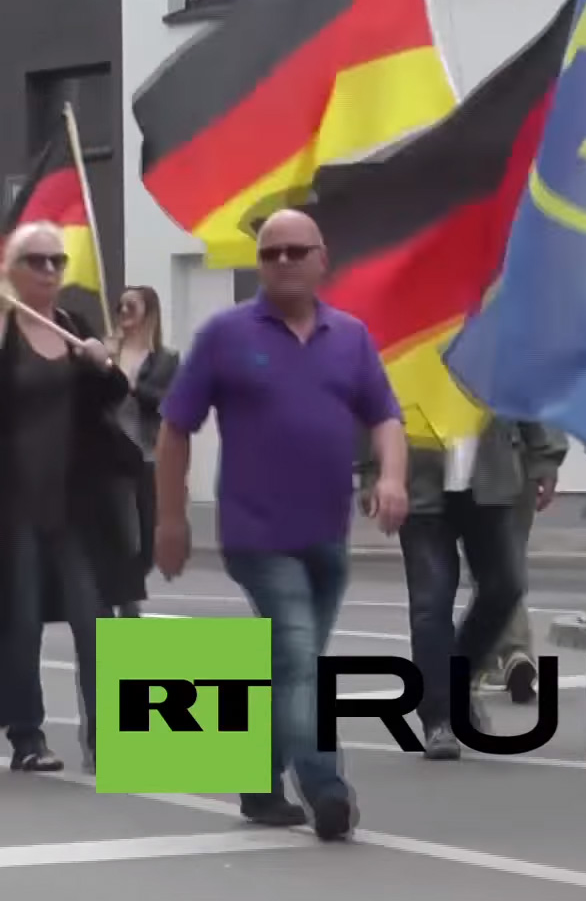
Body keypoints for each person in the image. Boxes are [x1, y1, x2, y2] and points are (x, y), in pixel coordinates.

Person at [154, 209, 409, 840]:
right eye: (272, 253)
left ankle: (260, 785)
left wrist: (392, 477)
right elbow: (174, 428)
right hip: (256, 533)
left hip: (327, 531)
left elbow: (386, 417)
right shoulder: (225, 334)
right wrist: (170, 519)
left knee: (292, 662)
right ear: (258, 263)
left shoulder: (350, 336)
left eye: (298, 251)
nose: (285, 262)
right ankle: (326, 789)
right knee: (298, 658)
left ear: (323, 258)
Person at [0, 222, 132, 774]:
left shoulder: (73, 326)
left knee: (95, 618)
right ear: (13, 267)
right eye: (37, 261)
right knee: (22, 620)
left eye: (57, 261)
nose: (50, 271)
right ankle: (28, 736)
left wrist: (104, 360)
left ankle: (108, 738)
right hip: (15, 503)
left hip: (76, 502)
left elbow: (112, 395)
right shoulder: (6, 331)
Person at [384, 417, 564, 759]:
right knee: (431, 602)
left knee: (506, 586)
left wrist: (544, 456)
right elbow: (375, 400)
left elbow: (527, 386)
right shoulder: (403, 360)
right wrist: (371, 475)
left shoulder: (497, 359)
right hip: (420, 484)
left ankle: (455, 684)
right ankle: (439, 719)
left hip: (490, 479)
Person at [109, 284, 179, 618]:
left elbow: (163, 402)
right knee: (124, 540)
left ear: (149, 312)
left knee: (146, 547)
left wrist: (131, 384)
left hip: (147, 458)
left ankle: (123, 589)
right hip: (110, 461)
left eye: (131, 307)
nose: (123, 313)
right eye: (120, 307)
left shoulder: (165, 360)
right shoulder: (107, 352)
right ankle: (125, 605)